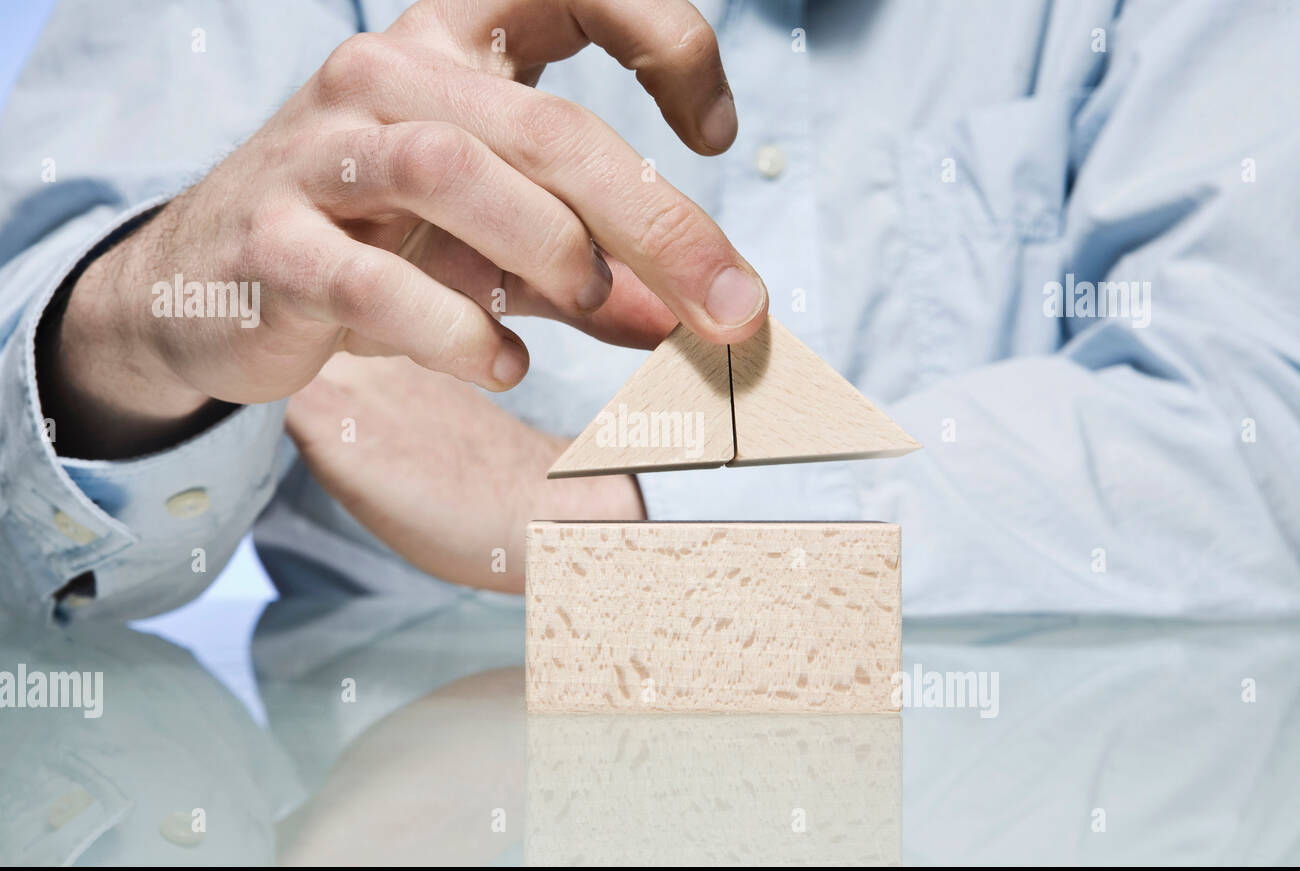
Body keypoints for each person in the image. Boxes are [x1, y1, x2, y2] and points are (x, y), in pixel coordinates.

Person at [1, 0, 1297, 625]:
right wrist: (137, 324)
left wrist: (592, 516)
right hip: (420, 802)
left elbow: (1256, 439)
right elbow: (37, 577)